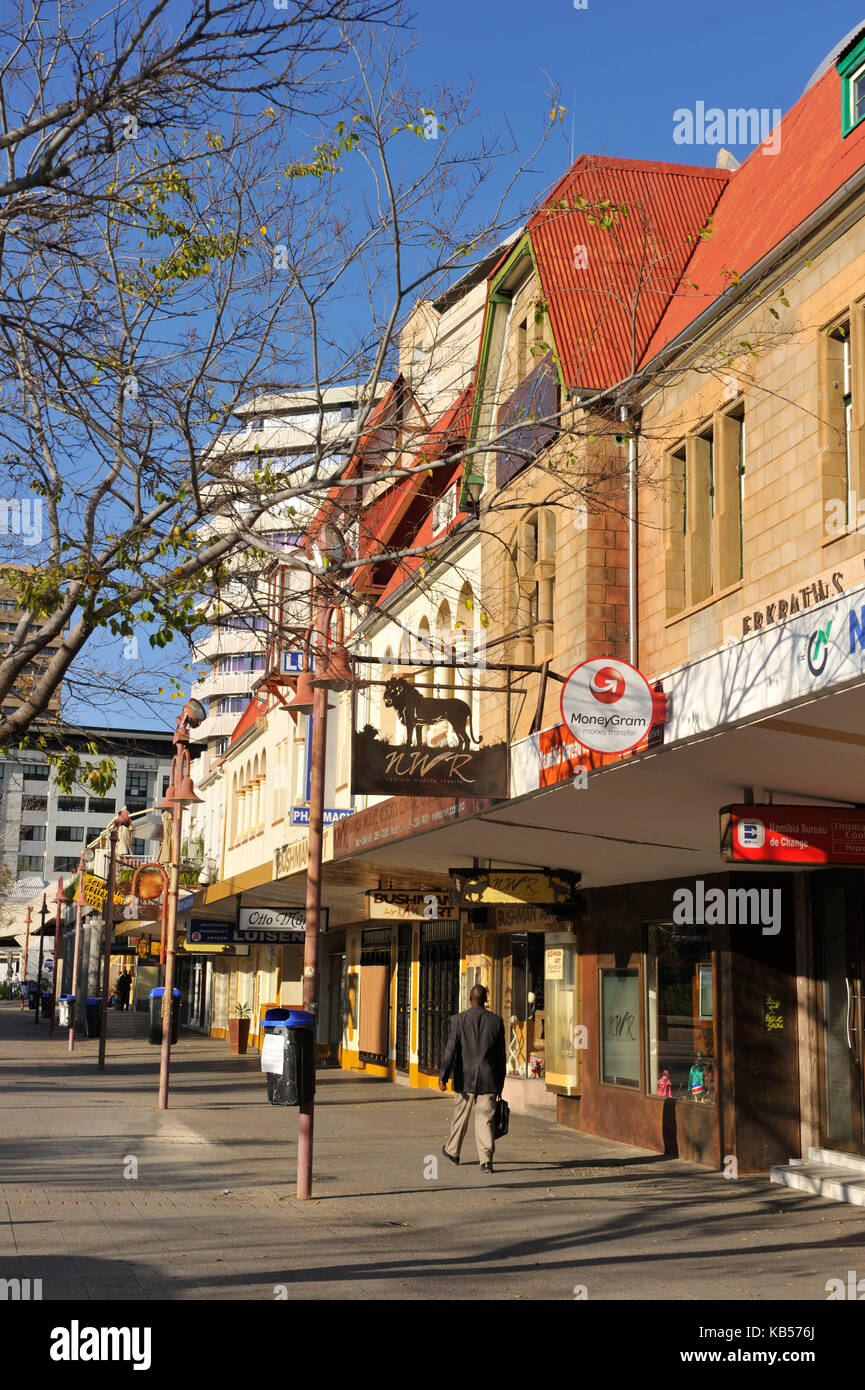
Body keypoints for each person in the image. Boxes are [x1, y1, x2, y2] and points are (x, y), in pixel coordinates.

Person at [438, 984, 506, 1174]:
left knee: (460, 1116)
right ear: (486, 999)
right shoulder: (496, 1021)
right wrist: (500, 1085)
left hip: (465, 1078)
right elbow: (502, 1057)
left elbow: (450, 1050)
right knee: (486, 1120)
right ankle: (486, 1161)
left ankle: (453, 1152)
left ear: (470, 998)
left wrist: (443, 1075)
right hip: (489, 1079)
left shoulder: (458, 1020)